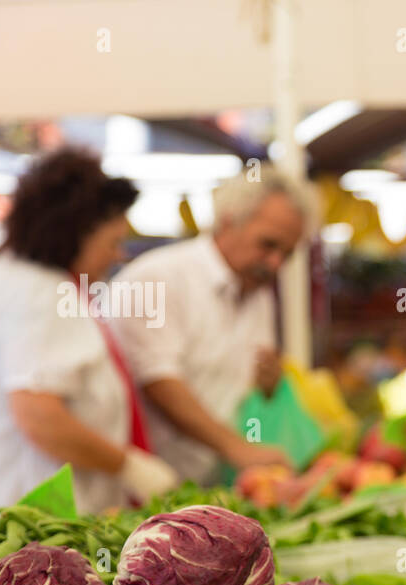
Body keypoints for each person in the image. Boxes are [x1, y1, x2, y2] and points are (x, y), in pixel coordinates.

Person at [0, 148, 177, 514]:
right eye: (111, 242)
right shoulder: (39, 293)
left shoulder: (8, 277)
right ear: (75, 233)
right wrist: (128, 466)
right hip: (22, 516)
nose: (116, 256)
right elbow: (39, 416)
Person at [110, 167, 314, 485]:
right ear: (229, 221)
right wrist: (238, 448)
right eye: (268, 245)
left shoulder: (258, 294)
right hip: (151, 490)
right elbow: (157, 381)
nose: (276, 263)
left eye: (287, 253)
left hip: (216, 487)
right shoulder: (157, 279)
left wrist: (270, 384)